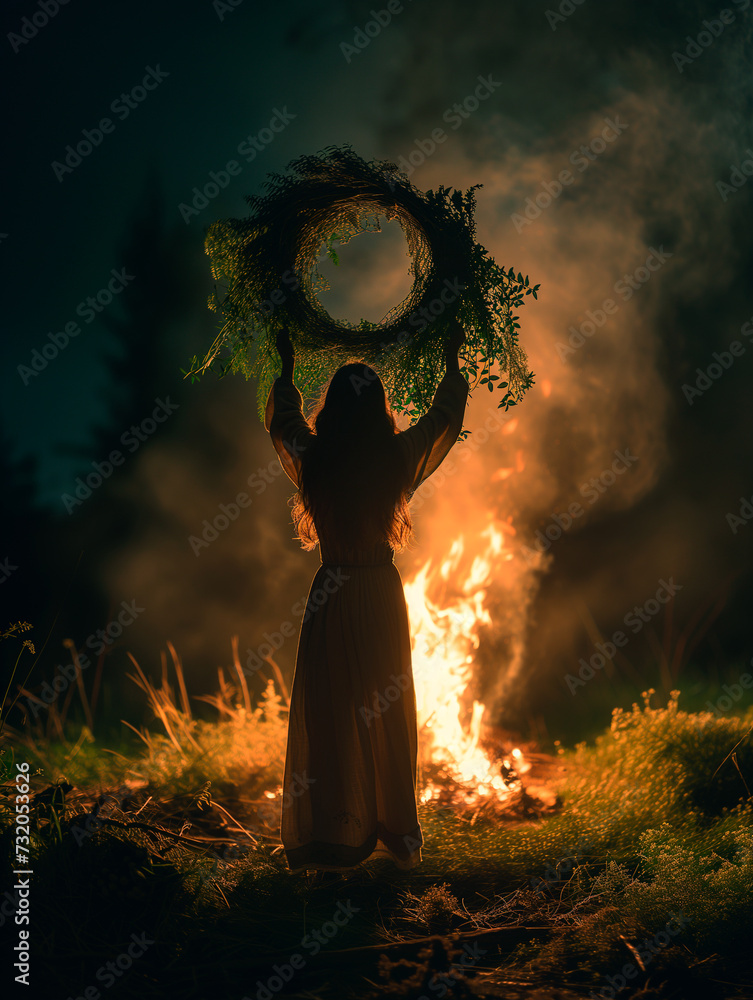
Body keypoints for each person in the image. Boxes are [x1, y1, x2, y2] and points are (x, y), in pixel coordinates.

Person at [264, 320, 468, 872]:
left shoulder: (315, 458)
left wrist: (285, 369)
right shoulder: (395, 459)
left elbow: (283, 424)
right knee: (386, 715)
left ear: (330, 410)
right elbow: (444, 420)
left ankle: (334, 835)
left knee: (331, 715)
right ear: (378, 408)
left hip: (331, 595)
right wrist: (450, 362)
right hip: (379, 595)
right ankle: (391, 834)